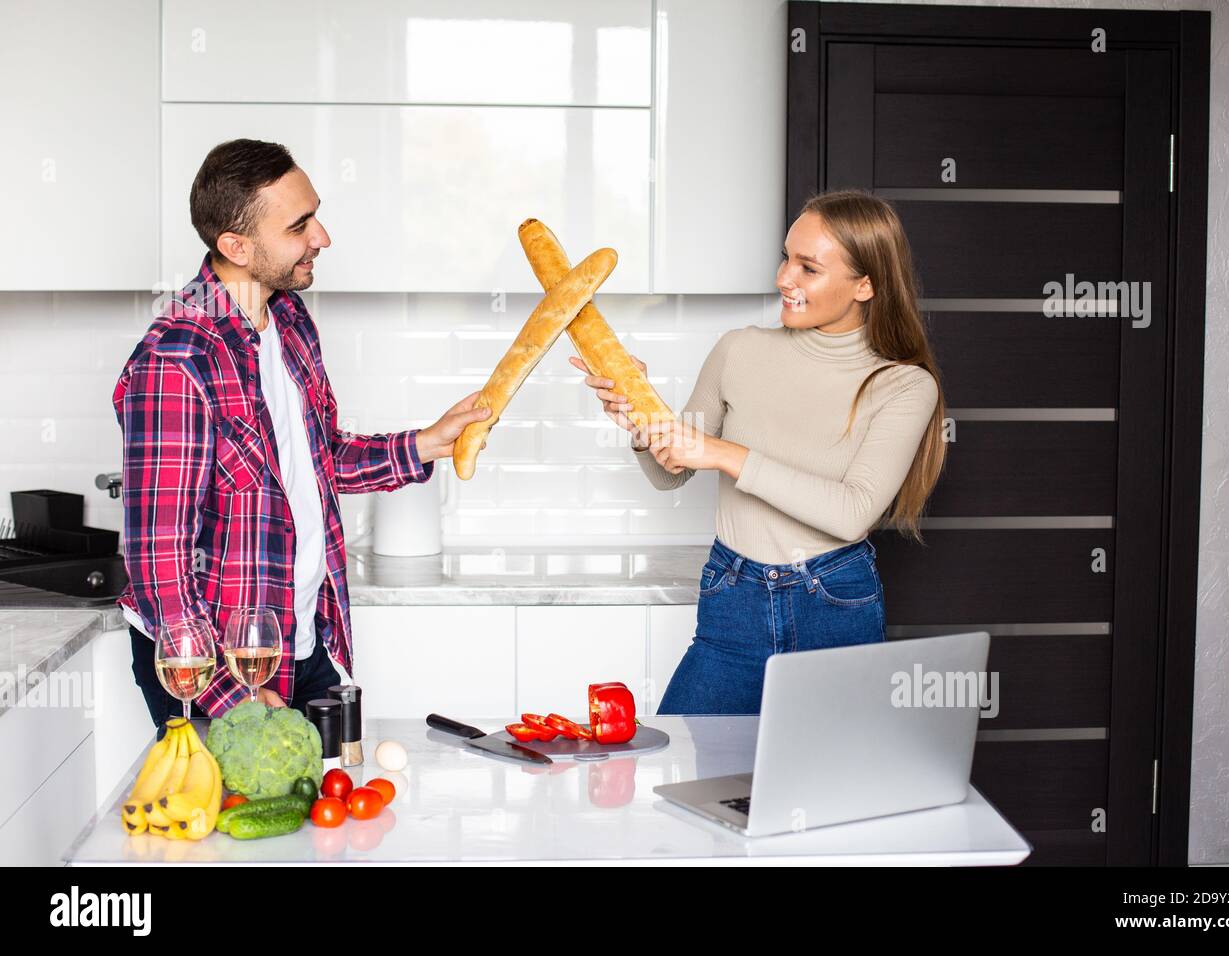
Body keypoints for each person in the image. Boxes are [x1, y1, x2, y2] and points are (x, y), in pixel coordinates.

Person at [113, 138, 491, 732]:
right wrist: (224, 693)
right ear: (235, 246)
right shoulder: (176, 359)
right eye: (300, 225)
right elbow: (157, 556)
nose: (323, 237)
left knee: (333, 817)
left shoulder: (287, 318)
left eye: (315, 213)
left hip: (303, 639)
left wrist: (424, 443)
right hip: (218, 665)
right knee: (240, 823)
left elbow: (317, 458)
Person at [574, 190, 947, 714]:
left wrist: (724, 453)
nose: (783, 279)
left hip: (832, 603)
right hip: (733, 597)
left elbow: (852, 512)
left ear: (865, 284)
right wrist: (641, 420)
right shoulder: (738, 349)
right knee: (679, 773)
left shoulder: (903, 386)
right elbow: (672, 473)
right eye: (785, 257)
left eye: (808, 268)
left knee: (830, 785)